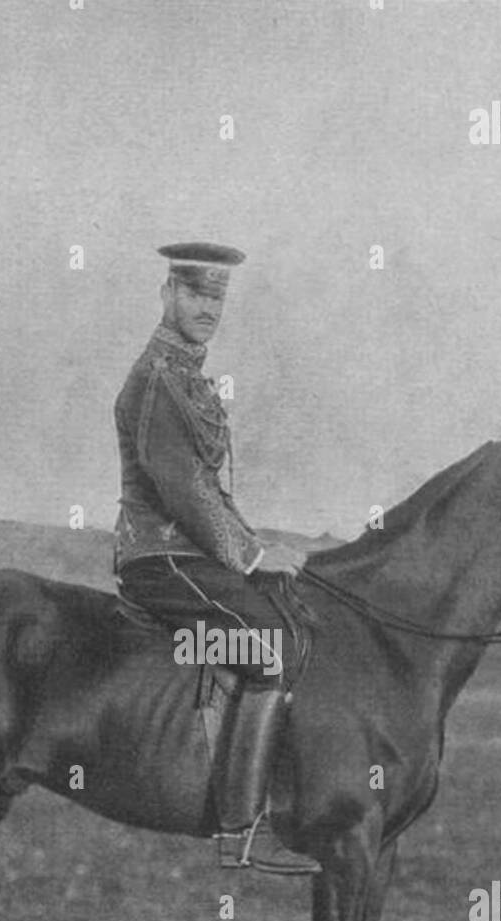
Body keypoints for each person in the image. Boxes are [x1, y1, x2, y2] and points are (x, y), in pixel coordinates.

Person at [113, 242, 320, 874]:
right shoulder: (155, 381)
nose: (208, 308)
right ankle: (241, 830)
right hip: (162, 556)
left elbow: (214, 489)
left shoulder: (188, 377)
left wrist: (264, 549)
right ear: (168, 294)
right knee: (267, 644)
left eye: (218, 298)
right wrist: (252, 555)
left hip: (191, 553)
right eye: (197, 294)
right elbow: (184, 488)